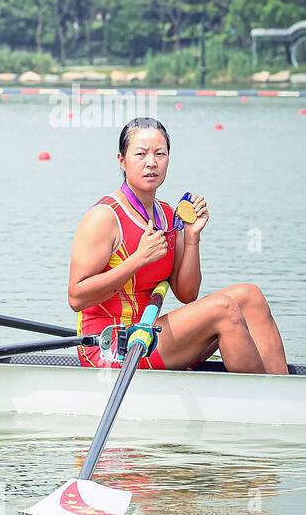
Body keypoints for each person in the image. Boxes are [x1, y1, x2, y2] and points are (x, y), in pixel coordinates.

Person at [68, 116, 286, 373]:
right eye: (141, 154)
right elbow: (76, 297)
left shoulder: (167, 214)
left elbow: (187, 294)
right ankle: (261, 403)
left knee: (251, 296)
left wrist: (192, 236)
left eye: (160, 154)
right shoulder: (104, 217)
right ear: (122, 161)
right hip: (111, 344)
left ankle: (281, 391)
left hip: (149, 332)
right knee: (223, 309)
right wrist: (138, 260)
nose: (152, 162)